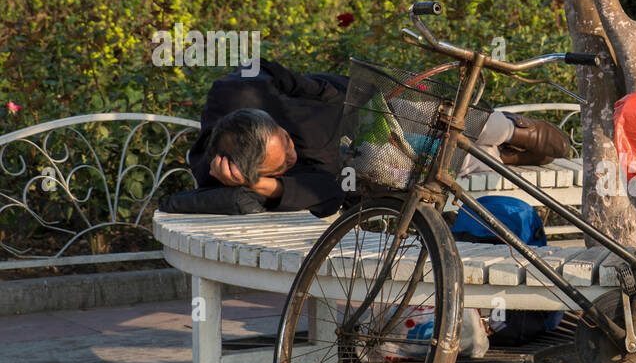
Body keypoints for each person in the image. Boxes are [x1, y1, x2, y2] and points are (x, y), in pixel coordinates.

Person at [160, 59, 569, 216]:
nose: (290, 152)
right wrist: (264, 183)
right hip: (367, 157)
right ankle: (502, 158)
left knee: (451, 117)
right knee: (451, 161)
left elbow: (288, 76)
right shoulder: (229, 179)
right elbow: (325, 192)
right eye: (279, 162)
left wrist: (318, 91)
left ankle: (518, 132)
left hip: (363, 105)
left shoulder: (235, 90)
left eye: (283, 139)